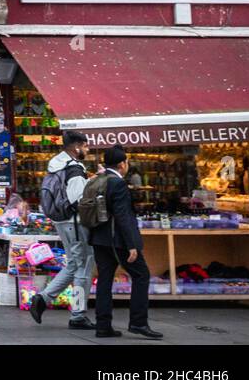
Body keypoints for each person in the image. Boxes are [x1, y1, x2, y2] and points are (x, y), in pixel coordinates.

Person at [88, 146, 163, 340]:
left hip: (99, 238)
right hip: (117, 240)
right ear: (123, 164)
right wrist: (132, 244)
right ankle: (138, 322)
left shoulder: (98, 179)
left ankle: (103, 325)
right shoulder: (118, 184)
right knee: (141, 275)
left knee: (105, 279)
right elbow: (123, 215)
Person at [31, 129, 95, 329]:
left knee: (75, 264)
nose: (87, 149)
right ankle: (78, 314)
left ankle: (42, 299)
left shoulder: (57, 165)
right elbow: (78, 199)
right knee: (83, 267)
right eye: (85, 145)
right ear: (76, 147)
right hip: (75, 223)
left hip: (63, 223)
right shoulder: (74, 169)